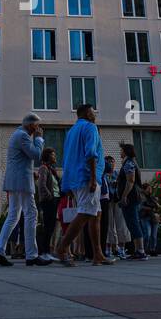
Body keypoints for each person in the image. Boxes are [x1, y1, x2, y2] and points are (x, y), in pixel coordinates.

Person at [53, 105, 109, 267]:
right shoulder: (90, 127)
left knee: (95, 214)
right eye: (93, 111)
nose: (95, 114)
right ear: (86, 113)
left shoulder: (71, 132)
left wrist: (67, 184)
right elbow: (91, 153)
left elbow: (67, 157)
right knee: (85, 213)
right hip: (87, 177)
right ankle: (62, 248)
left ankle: (98, 254)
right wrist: (92, 178)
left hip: (75, 178)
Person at [0, 113, 51, 267]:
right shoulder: (23, 136)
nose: (39, 129)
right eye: (37, 125)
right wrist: (39, 139)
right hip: (21, 182)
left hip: (16, 181)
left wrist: (31, 172)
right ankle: (31, 255)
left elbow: (20, 159)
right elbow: (36, 154)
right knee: (31, 213)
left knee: (13, 216)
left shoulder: (17, 135)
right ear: (31, 125)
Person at [117, 144, 147, 260]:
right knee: (133, 222)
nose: (120, 152)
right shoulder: (130, 162)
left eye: (121, 150)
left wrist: (124, 196)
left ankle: (140, 251)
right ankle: (138, 250)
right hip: (133, 196)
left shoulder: (129, 163)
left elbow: (131, 180)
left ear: (126, 152)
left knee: (133, 223)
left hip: (131, 197)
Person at [33, 147, 62, 259]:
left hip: (55, 200)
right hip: (49, 201)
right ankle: (45, 252)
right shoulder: (43, 168)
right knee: (48, 226)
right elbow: (42, 185)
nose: (55, 157)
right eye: (53, 155)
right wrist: (49, 196)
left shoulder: (51, 170)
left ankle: (47, 252)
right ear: (48, 156)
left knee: (51, 226)